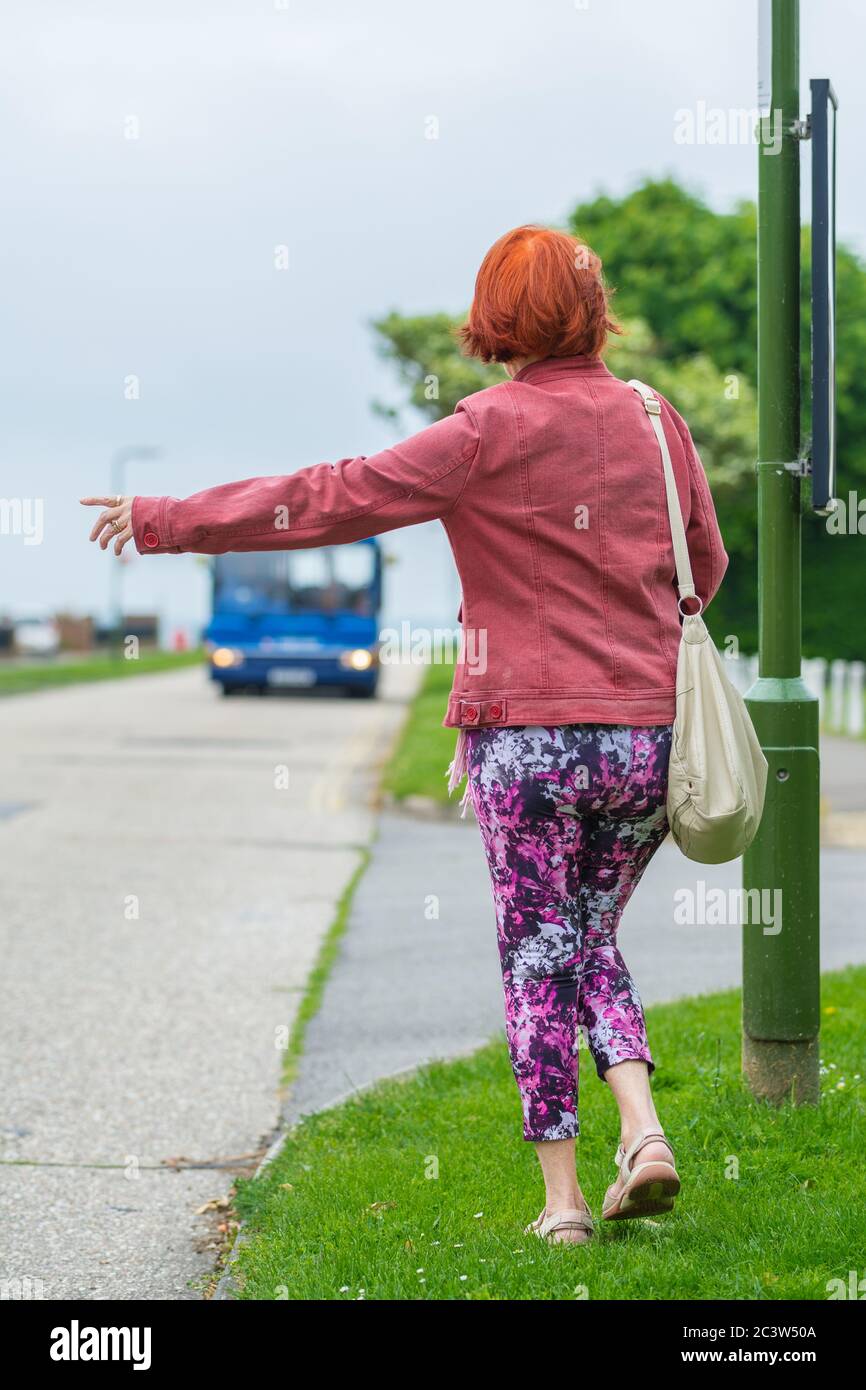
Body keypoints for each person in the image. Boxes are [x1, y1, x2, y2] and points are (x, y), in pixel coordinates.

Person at [82, 224, 727, 1245]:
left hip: (525, 738)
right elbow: (706, 560)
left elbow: (329, 498)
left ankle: (561, 1204)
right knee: (586, 936)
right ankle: (640, 1130)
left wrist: (169, 519)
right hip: (649, 736)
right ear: (594, 310)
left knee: (535, 950)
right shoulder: (657, 420)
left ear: (498, 317)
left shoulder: (480, 430)